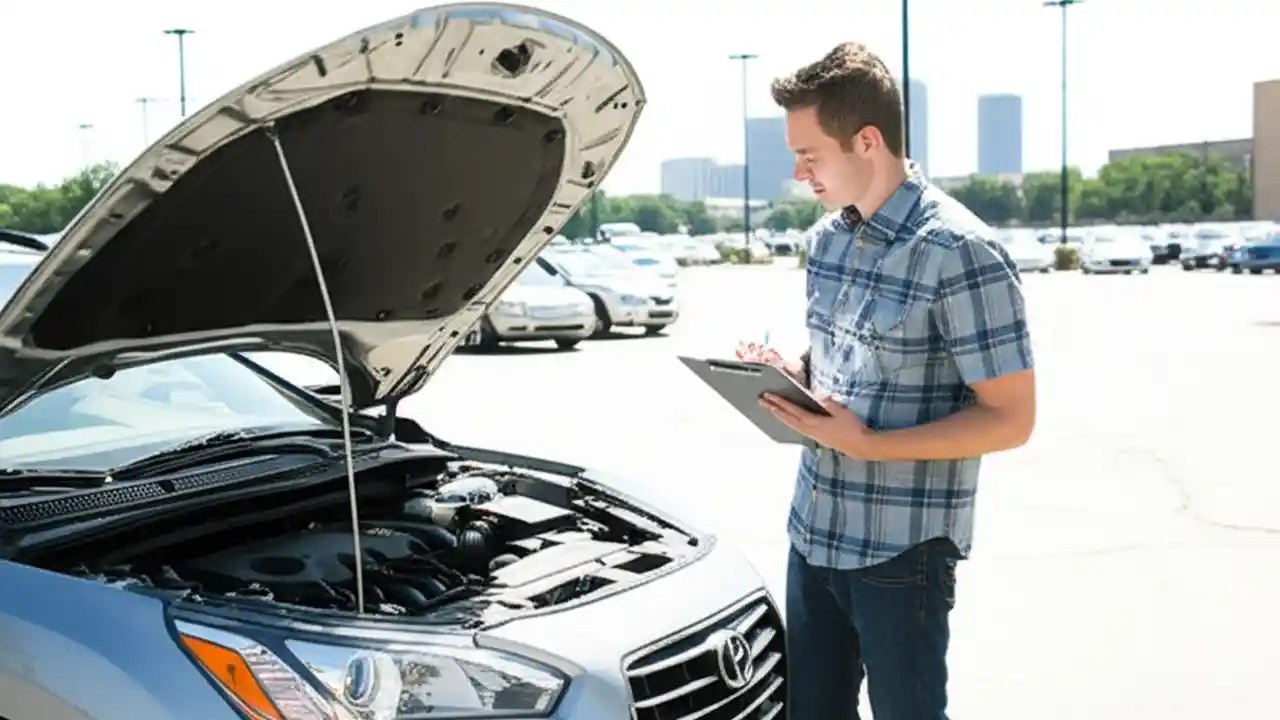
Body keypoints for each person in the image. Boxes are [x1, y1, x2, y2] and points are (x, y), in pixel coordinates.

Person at [736, 42, 1037, 720]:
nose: (797, 171)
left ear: (867, 140)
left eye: (810, 154)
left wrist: (869, 443)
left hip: (902, 553)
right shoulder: (827, 243)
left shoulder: (962, 253)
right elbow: (845, 367)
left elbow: (1011, 419)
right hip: (812, 532)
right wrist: (791, 376)